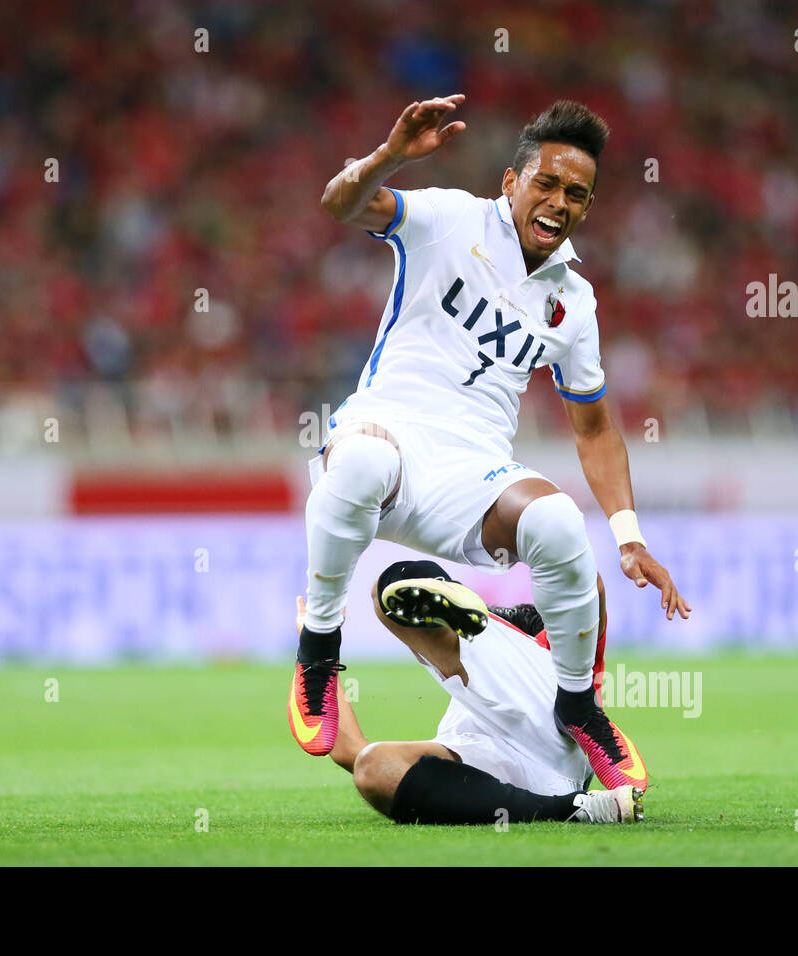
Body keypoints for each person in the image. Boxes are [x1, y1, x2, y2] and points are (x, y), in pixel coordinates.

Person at [289, 93, 690, 793]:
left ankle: (577, 705)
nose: (560, 202)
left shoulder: (575, 302)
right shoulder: (448, 219)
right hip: (387, 430)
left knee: (560, 522)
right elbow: (339, 206)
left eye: (577, 194)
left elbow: (594, 428)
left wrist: (628, 537)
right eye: (547, 183)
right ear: (511, 182)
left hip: (470, 476)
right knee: (362, 461)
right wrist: (387, 158)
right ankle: (319, 648)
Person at [304, 559, 642, 825]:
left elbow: (587, 584)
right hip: (536, 783)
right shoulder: (473, 706)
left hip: (554, 724)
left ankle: (447, 593)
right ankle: (574, 809)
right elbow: (348, 749)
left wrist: (316, 643)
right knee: (371, 768)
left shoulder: (553, 653)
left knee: (385, 592)